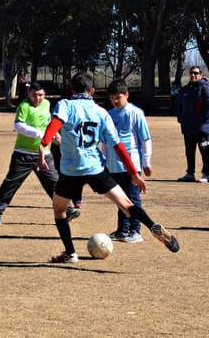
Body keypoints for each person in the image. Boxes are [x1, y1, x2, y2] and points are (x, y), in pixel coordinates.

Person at [38, 73, 179, 263]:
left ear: (72, 90)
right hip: (96, 168)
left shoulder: (66, 104)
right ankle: (152, 226)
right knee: (127, 204)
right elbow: (118, 146)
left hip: (71, 170)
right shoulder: (101, 112)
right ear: (92, 91)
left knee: (59, 209)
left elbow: (55, 125)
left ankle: (70, 253)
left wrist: (44, 143)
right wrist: (134, 173)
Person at [0, 82, 79, 225]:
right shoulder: (24, 106)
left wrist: (54, 135)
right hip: (23, 154)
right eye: (34, 95)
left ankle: (67, 209)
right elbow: (18, 125)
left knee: (54, 183)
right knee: (11, 184)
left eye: (41, 95)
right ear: (29, 93)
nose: (38, 98)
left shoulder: (47, 104)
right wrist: (40, 134)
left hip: (45, 153)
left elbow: (49, 121)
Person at [103, 80, 152, 244]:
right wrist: (103, 160)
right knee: (120, 198)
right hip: (113, 163)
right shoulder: (108, 114)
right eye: (112, 98)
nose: (115, 101)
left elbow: (145, 139)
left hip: (132, 163)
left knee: (133, 198)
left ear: (126, 95)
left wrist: (146, 162)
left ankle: (135, 231)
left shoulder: (136, 113)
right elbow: (104, 141)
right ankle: (122, 230)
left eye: (118, 97)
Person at [176, 66, 209, 182]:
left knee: (205, 151)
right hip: (188, 127)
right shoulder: (185, 89)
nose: (193, 75)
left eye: (195, 73)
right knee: (189, 151)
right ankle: (190, 173)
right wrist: (180, 118)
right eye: (191, 73)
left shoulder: (205, 88)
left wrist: (203, 121)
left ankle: (207, 174)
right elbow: (179, 105)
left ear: (200, 74)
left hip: (202, 127)